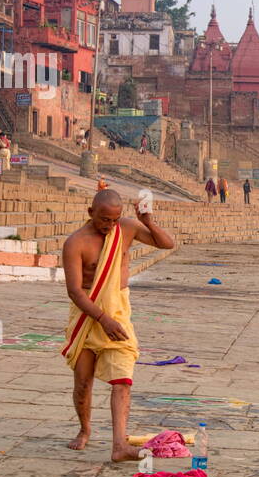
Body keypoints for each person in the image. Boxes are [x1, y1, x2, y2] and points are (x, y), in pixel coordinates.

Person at [60, 188, 176, 461]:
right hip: (88, 316)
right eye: (103, 220)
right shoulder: (75, 243)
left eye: (114, 220)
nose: (109, 226)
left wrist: (146, 221)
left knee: (123, 380)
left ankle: (119, 445)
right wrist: (102, 318)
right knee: (82, 383)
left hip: (119, 312)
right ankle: (85, 429)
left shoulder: (125, 228)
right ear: (90, 213)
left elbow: (167, 244)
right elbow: (75, 291)